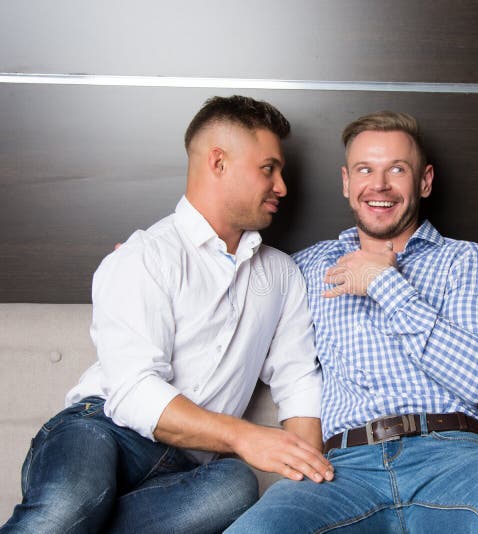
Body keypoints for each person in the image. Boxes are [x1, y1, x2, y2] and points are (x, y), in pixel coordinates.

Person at [1, 95, 334, 534]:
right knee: (67, 508)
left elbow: (297, 381)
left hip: (187, 469)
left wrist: (309, 474)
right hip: (102, 429)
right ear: (218, 162)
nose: (282, 187)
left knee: (234, 485)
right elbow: (134, 392)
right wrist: (241, 435)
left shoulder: (282, 274)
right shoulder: (144, 257)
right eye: (268, 169)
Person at [227, 111, 478, 532]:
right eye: (365, 169)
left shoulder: (465, 261)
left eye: (397, 170)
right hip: (343, 472)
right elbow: (222, 308)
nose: (380, 185)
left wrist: (386, 284)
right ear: (347, 183)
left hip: (456, 460)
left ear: (424, 181)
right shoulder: (306, 268)